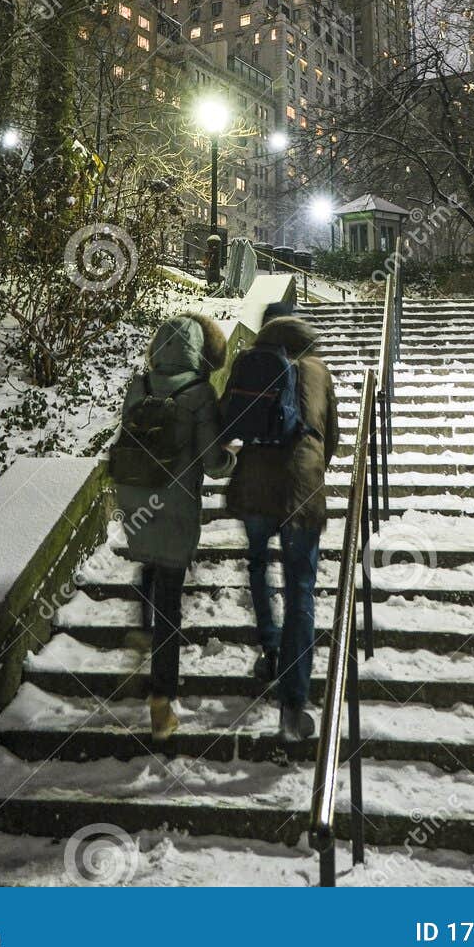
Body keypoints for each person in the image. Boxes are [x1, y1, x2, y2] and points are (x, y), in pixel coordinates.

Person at [111, 313, 233, 742]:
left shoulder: (140, 385)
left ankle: (142, 628)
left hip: (135, 495)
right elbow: (214, 461)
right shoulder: (199, 393)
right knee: (171, 600)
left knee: (147, 562)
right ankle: (161, 702)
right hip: (176, 502)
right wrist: (231, 460)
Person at [225, 313, 339, 742]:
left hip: (254, 482)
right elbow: (333, 438)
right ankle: (294, 699)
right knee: (300, 587)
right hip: (301, 488)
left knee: (257, 564)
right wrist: (309, 469)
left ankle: (270, 648)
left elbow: (228, 418)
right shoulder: (317, 370)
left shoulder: (252, 360)